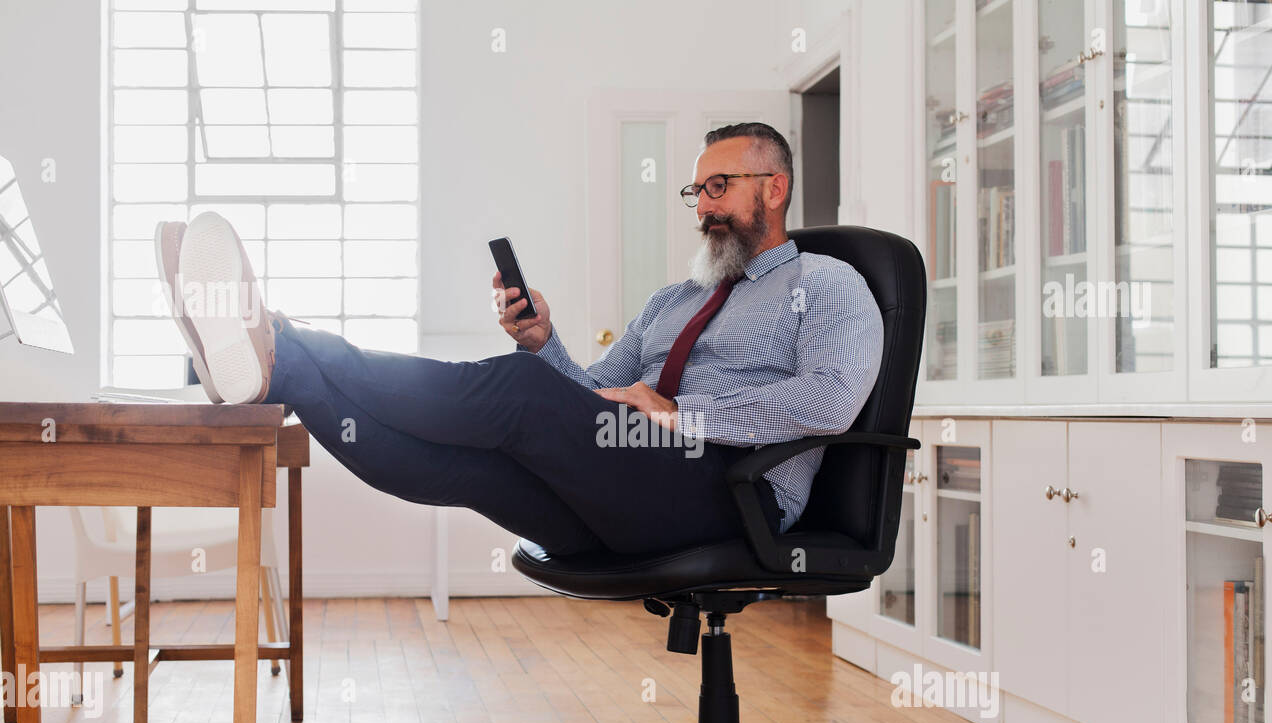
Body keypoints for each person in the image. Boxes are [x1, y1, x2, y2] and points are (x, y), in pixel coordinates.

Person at [158, 122, 884, 557]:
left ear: (776, 187)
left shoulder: (826, 285)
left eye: (720, 186)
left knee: (514, 393)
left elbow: (830, 400)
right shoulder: (673, 301)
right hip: (629, 488)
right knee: (473, 469)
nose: (704, 207)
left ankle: (282, 340)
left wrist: (678, 416)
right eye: (698, 193)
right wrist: (544, 342)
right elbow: (593, 396)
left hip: (730, 497)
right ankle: (280, 373)